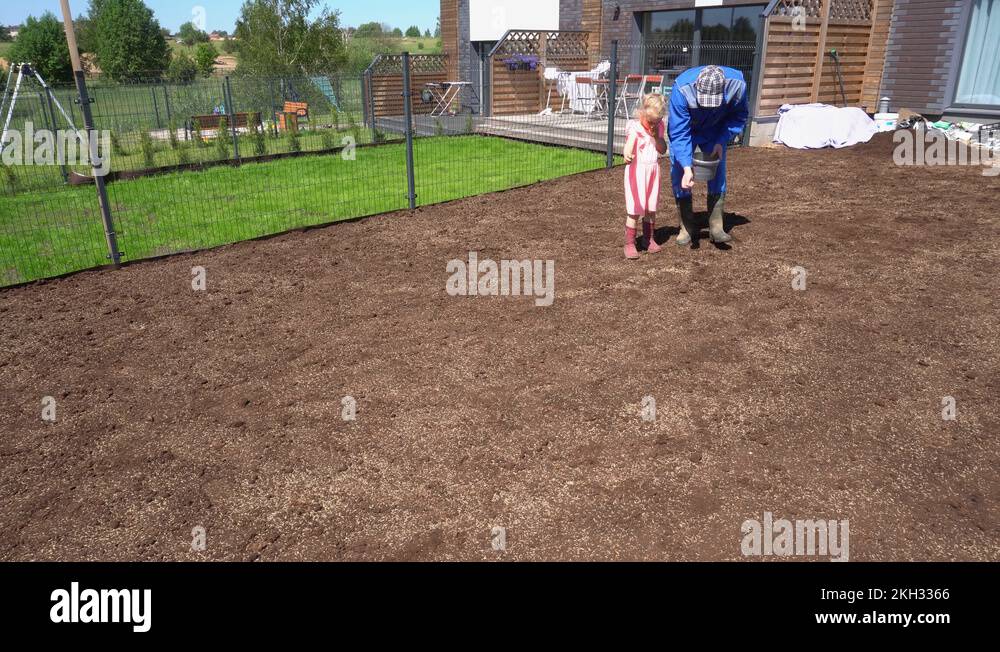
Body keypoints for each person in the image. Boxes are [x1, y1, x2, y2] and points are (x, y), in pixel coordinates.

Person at [667, 65, 749, 246]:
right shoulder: (682, 89)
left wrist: (722, 140)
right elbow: (679, 132)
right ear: (697, 88)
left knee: (717, 170)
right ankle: (686, 227)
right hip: (688, 128)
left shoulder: (737, 85)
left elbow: (739, 115)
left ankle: (716, 226)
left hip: (716, 129)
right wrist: (687, 167)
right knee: (680, 172)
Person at [622, 93, 668, 260]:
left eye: (657, 121)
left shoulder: (659, 127)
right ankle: (629, 243)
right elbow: (628, 146)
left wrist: (656, 136)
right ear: (643, 113)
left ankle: (648, 240)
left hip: (652, 172)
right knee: (634, 209)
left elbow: (662, 149)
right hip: (637, 172)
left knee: (650, 208)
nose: (653, 124)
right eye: (650, 121)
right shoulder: (635, 127)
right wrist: (627, 154)